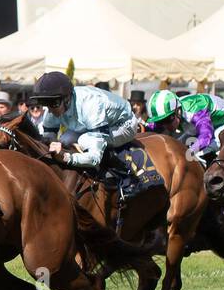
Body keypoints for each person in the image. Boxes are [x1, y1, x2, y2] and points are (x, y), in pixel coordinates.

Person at [27, 71, 144, 199]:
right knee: (64, 140)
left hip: (123, 124)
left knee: (84, 139)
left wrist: (67, 157)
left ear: (67, 99)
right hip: (87, 125)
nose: (50, 110)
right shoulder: (55, 107)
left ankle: (121, 176)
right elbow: (48, 140)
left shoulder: (91, 105)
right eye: (47, 104)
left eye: (54, 103)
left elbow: (94, 158)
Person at [144, 89, 224, 160]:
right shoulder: (175, 111)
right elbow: (149, 128)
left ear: (178, 111)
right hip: (200, 124)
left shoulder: (195, 112)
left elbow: (206, 136)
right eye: (160, 122)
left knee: (198, 153)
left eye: (168, 119)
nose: (165, 125)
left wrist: (189, 152)